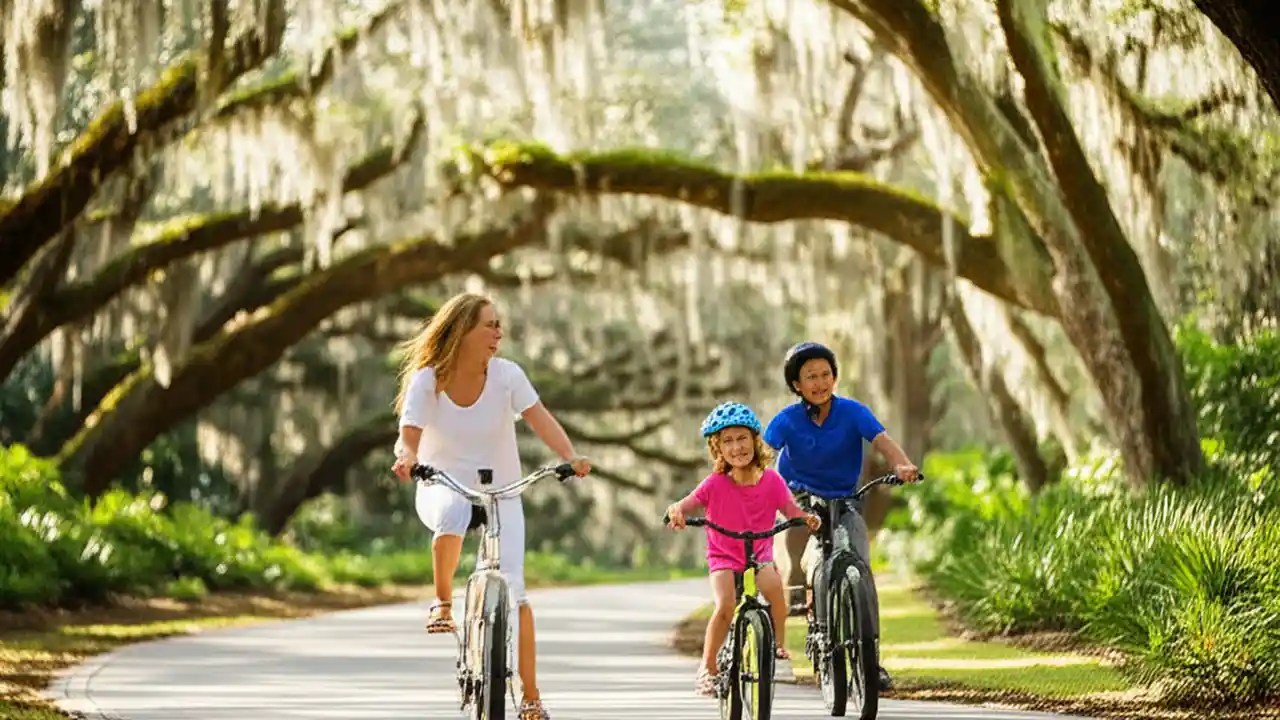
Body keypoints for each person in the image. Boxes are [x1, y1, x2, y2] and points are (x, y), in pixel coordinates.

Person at [390, 292, 591, 720]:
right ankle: (444, 603)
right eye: (489, 325)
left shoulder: (507, 376)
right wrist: (408, 457)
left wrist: (570, 456)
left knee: (516, 591)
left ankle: (531, 696)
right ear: (462, 331)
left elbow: (541, 419)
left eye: (499, 325)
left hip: (502, 490)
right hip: (441, 482)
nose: (498, 333)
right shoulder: (429, 379)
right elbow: (410, 433)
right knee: (452, 515)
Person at [763, 341, 920, 691]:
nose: (819, 382)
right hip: (797, 497)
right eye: (810, 377)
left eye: (825, 374)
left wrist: (902, 464)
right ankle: (789, 635)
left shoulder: (852, 411)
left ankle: (870, 660)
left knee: (859, 567)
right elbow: (763, 452)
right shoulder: (786, 420)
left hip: (844, 497)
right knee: (794, 563)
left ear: (834, 377)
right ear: (796, 385)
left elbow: (881, 440)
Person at [665, 401, 822, 698]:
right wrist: (676, 511)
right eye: (728, 441)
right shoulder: (715, 484)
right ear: (718, 449)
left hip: (759, 551)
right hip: (723, 553)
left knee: (775, 588)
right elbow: (687, 503)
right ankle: (708, 668)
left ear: (754, 440)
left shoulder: (772, 481)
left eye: (742, 438)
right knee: (725, 605)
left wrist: (806, 519)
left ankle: (777, 647)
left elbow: (790, 510)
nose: (737, 447)